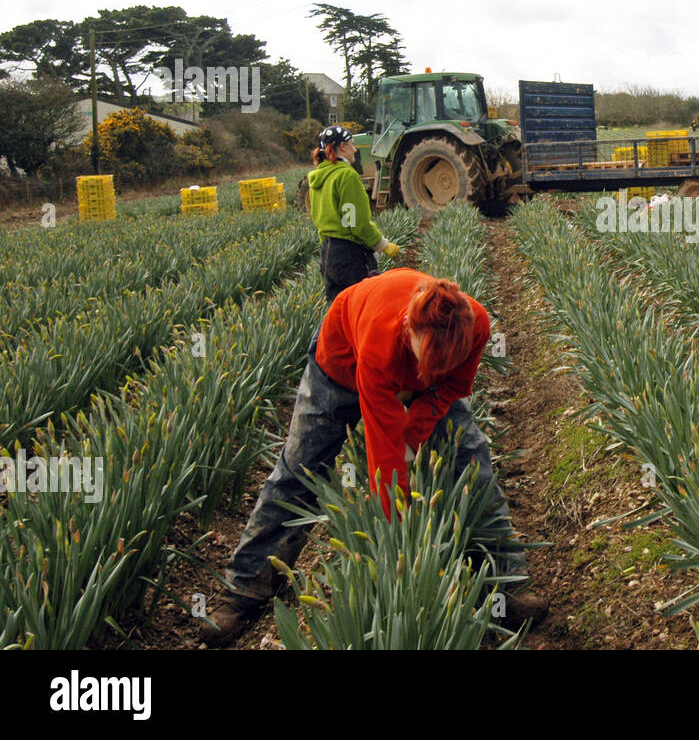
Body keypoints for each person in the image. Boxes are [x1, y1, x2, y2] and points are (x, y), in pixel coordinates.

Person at [199, 269, 546, 646]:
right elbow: (384, 455)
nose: (429, 371)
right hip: (340, 367)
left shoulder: (475, 324)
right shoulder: (380, 342)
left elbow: (452, 388)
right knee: (298, 469)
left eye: (441, 364)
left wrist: (416, 434)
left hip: (417, 372)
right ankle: (243, 587)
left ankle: (506, 584)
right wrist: (400, 540)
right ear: (409, 330)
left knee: (471, 459)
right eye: (425, 361)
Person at [309, 125, 401, 303]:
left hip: (328, 254)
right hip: (349, 257)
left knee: (338, 309)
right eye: (352, 144)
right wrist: (382, 245)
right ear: (342, 146)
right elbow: (357, 223)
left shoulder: (317, 178)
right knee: (358, 308)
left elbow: (319, 218)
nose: (355, 149)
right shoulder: (346, 176)